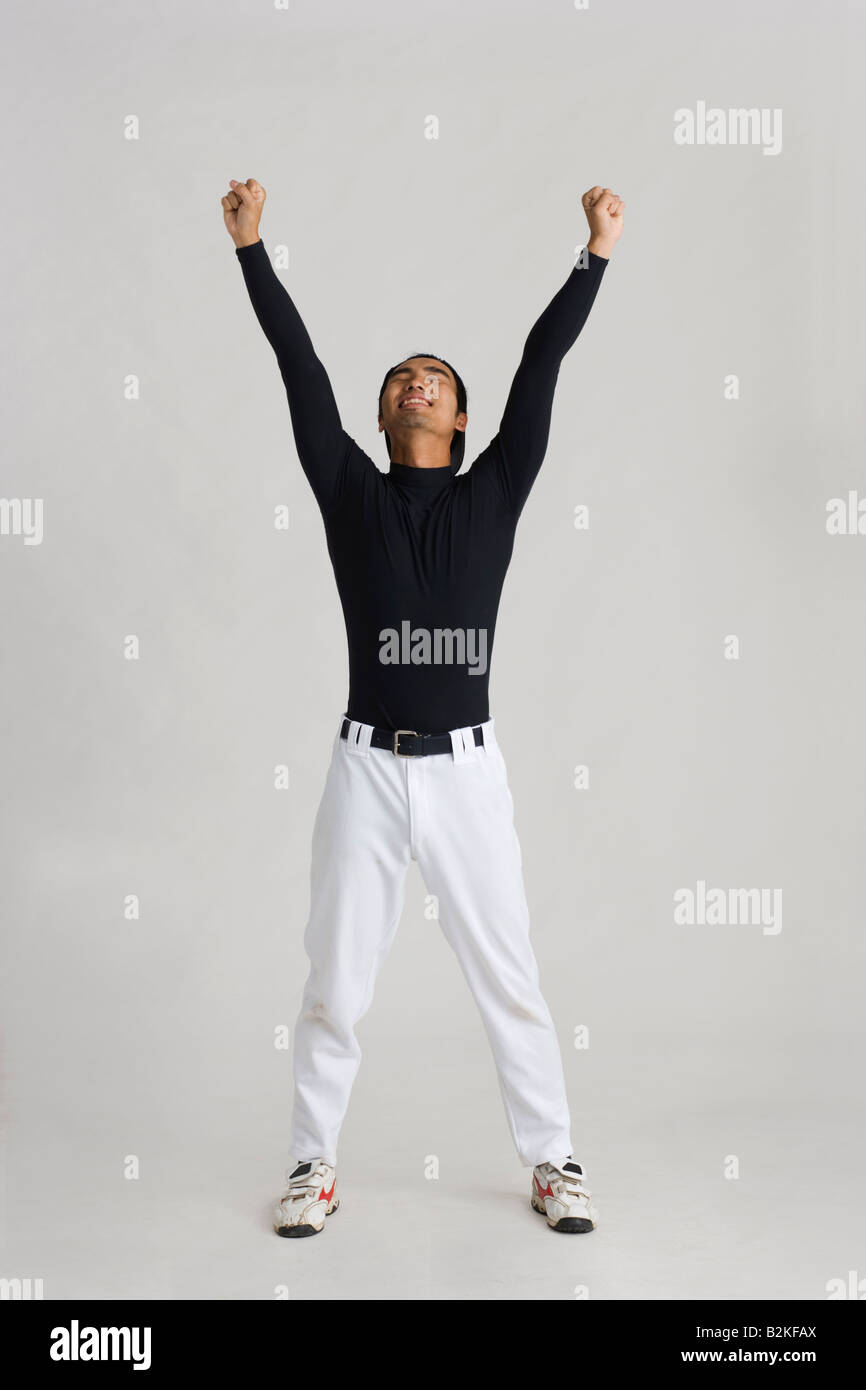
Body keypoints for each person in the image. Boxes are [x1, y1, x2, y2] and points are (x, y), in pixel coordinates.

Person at [221, 178, 624, 1237]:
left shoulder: (496, 487)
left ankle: (552, 1160)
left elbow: (540, 363)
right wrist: (253, 249)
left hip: (466, 773)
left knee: (510, 977)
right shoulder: (348, 491)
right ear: (382, 411)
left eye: (434, 378)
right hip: (365, 768)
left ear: (457, 414)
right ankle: (313, 1163)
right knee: (334, 984)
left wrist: (593, 254)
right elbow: (298, 371)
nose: (415, 383)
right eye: (400, 376)